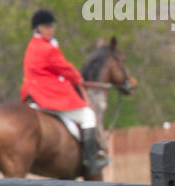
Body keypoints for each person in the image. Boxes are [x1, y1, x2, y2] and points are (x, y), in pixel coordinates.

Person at [20, 9, 109, 175]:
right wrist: (78, 78)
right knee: (88, 116)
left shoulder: (32, 46)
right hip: (47, 93)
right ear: (38, 28)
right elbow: (64, 68)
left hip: (31, 93)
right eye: (47, 27)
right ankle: (90, 161)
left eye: (52, 26)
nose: (51, 30)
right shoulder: (47, 48)